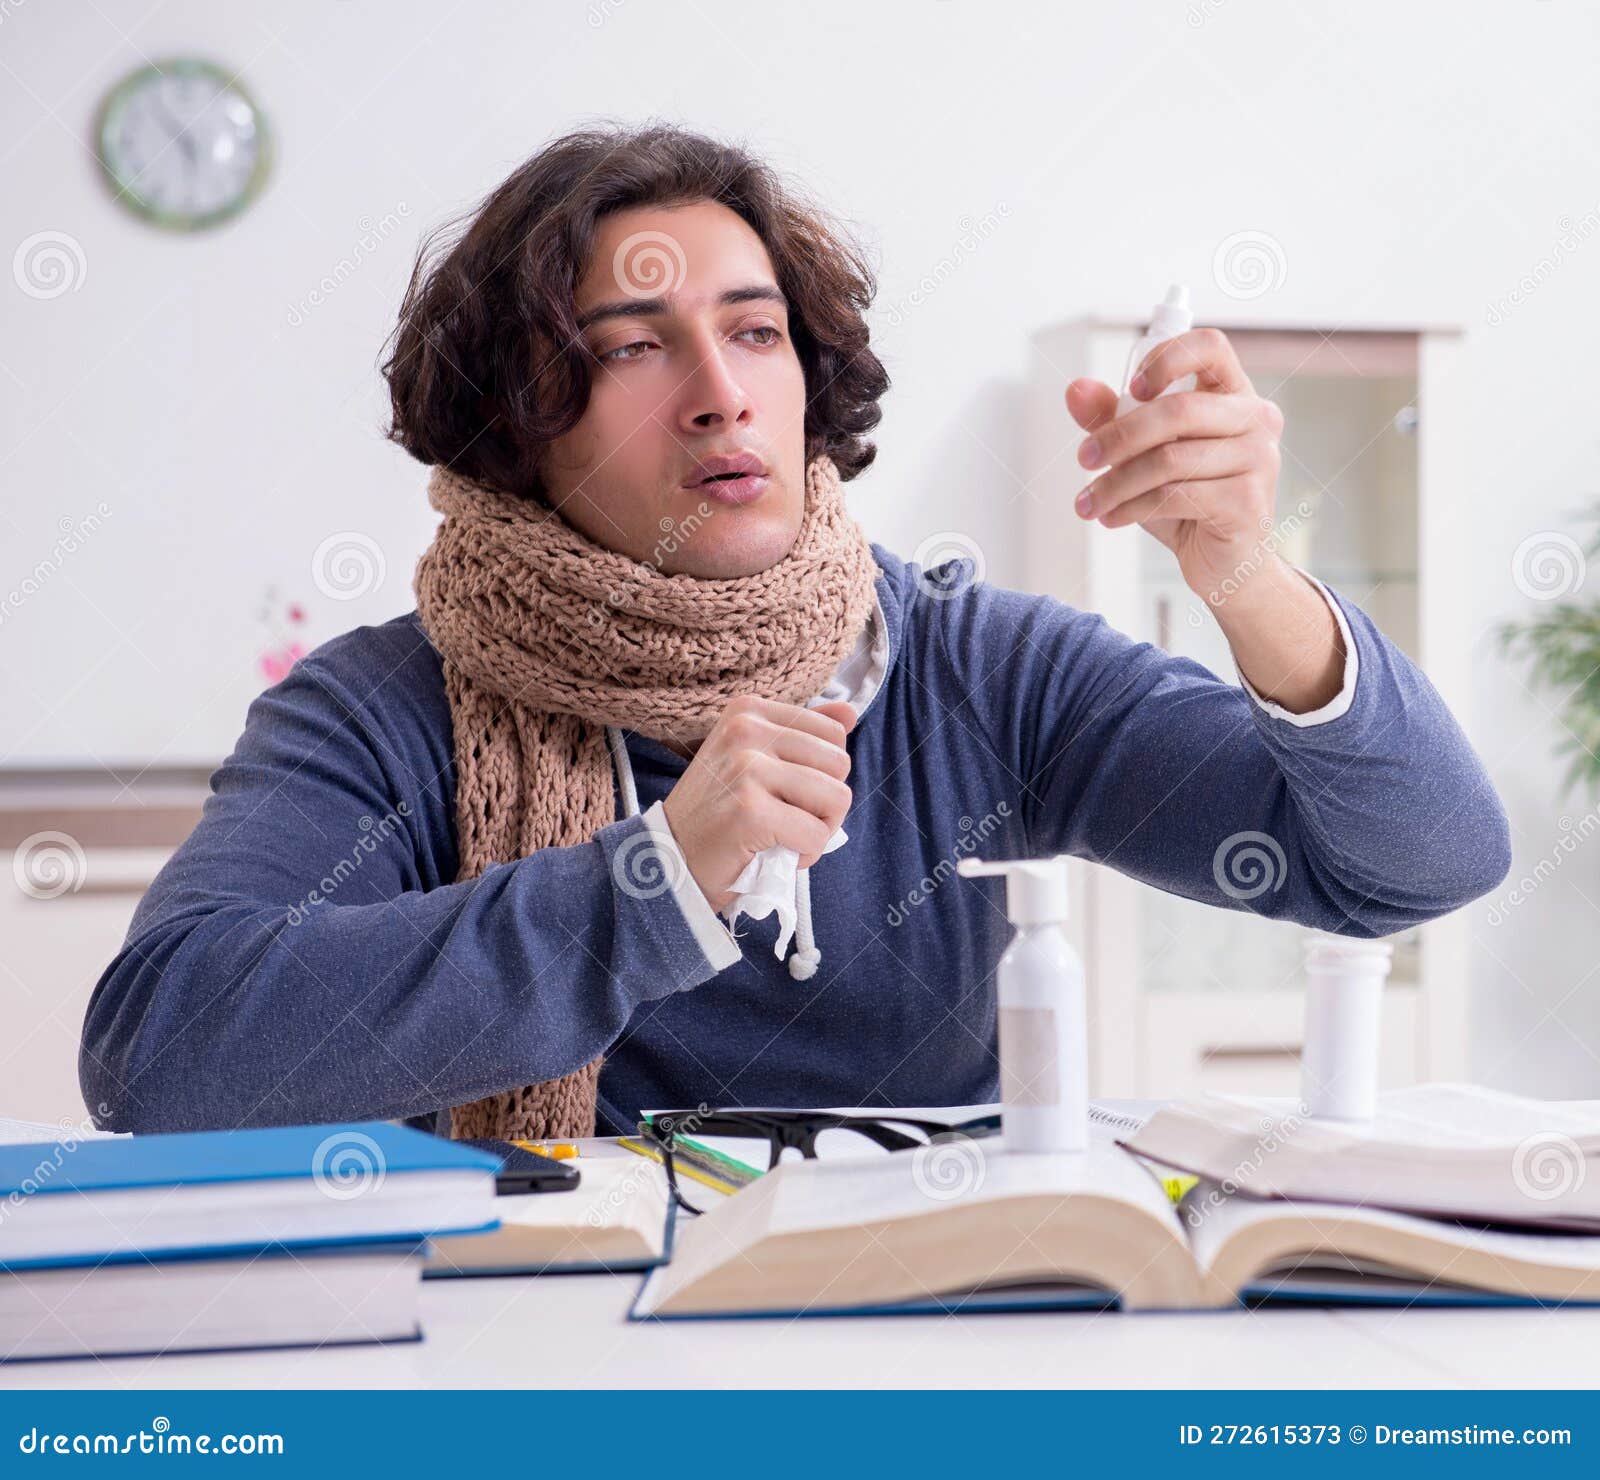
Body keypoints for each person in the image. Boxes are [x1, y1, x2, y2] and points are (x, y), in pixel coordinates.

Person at [81, 123, 1511, 1140]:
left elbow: (1421, 864)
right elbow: (161, 1052)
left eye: (756, 332)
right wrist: (652, 883)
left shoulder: (973, 666)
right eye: (633, 345)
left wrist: (1247, 574)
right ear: (517, 422)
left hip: (926, 1341)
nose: (720, 392)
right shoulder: (384, 706)